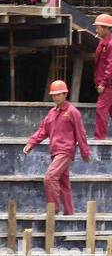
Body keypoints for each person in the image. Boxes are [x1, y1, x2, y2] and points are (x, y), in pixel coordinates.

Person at [23, 80, 91, 216]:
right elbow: (43, 130)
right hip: (55, 152)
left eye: (59, 94)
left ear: (65, 94)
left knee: (50, 177)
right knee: (64, 183)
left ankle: (53, 209)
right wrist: (31, 143)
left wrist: (85, 152)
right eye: (53, 95)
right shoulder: (52, 113)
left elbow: (80, 133)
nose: (56, 97)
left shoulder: (73, 112)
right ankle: (69, 213)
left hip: (65, 151)